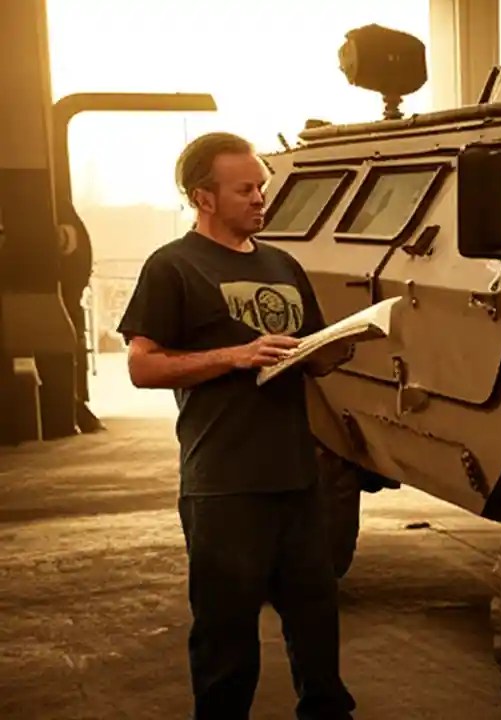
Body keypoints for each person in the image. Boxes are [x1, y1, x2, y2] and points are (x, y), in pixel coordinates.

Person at [116, 131, 357, 720]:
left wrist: (330, 351)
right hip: (223, 481)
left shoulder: (283, 263)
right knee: (226, 636)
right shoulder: (173, 266)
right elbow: (143, 366)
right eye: (244, 189)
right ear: (203, 197)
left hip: (297, 477)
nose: (259, 199)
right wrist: (234, 355)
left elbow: (307, 346)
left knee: (317, 622)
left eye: (260, 187)